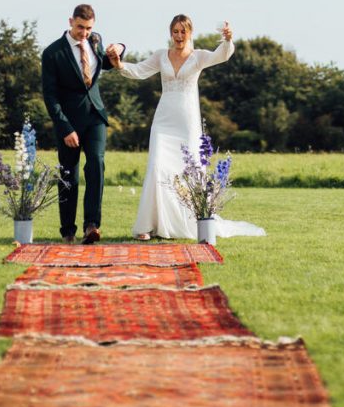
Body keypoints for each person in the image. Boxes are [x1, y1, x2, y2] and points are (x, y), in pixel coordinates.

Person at [107, 15, 265, 241]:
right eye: (175, 31)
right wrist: (119, 65)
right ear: (170, 33)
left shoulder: (199, 56)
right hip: (163, 121)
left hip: (187, 121)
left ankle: (193, 221)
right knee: (157, 166)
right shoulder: (161, 56)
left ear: (190, 33)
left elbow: (222, 55)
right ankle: (148, 225)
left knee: (188, 172)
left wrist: (228, 40)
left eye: (183, 32)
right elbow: (139, 71)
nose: (179, 36)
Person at [41, 4, 125, 244]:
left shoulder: (95, 42)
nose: (84, 33)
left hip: (95, 116)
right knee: (69, 174)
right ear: (70, 22)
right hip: (68, 122)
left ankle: (92, 226)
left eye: (88, 28)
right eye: (80, 27)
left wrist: (121, 47)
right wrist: (65, 127)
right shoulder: (52, 53)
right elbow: (50, 95)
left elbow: (110, 61)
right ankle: (68, 229)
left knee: (97, 165)